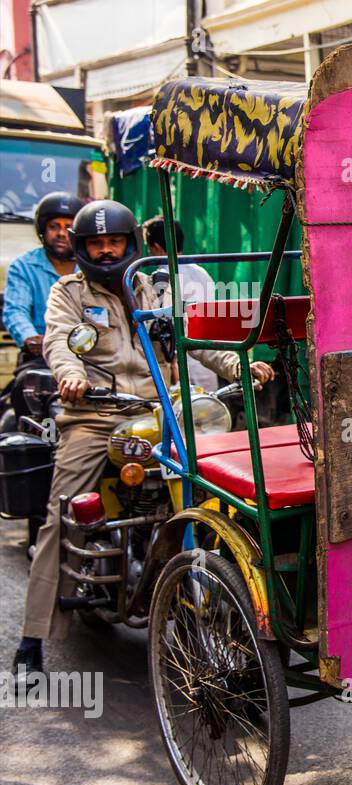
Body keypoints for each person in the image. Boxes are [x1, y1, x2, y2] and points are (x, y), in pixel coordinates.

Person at [11, 201, 275, 683]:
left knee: (226, 484)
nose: (106, 250)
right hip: (96, 414)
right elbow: (59, 343)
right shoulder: (67, 293)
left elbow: (198, 336)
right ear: (83, 248)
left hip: (164, 409)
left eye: (113, 241)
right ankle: (33, 638)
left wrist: (241, 365)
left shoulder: (155, 286)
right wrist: (69, 377)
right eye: (96, 243)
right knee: (61, 513)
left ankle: (241, 601)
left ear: (130, 243)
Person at [2, 192, 83, 365]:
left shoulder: (91, 266)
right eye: (54, 226)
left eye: (68, 228)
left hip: (90, 356)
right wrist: (29, 337)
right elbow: (15, 310)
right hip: (42, 355)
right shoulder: (24, 266)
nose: (61, 233)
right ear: (43, 230)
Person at [142, 215, 220, 391]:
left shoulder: (161, 277)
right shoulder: (202, 272)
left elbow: (168, 327)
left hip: (183, 363)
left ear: (156, 247)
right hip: (208, 355)